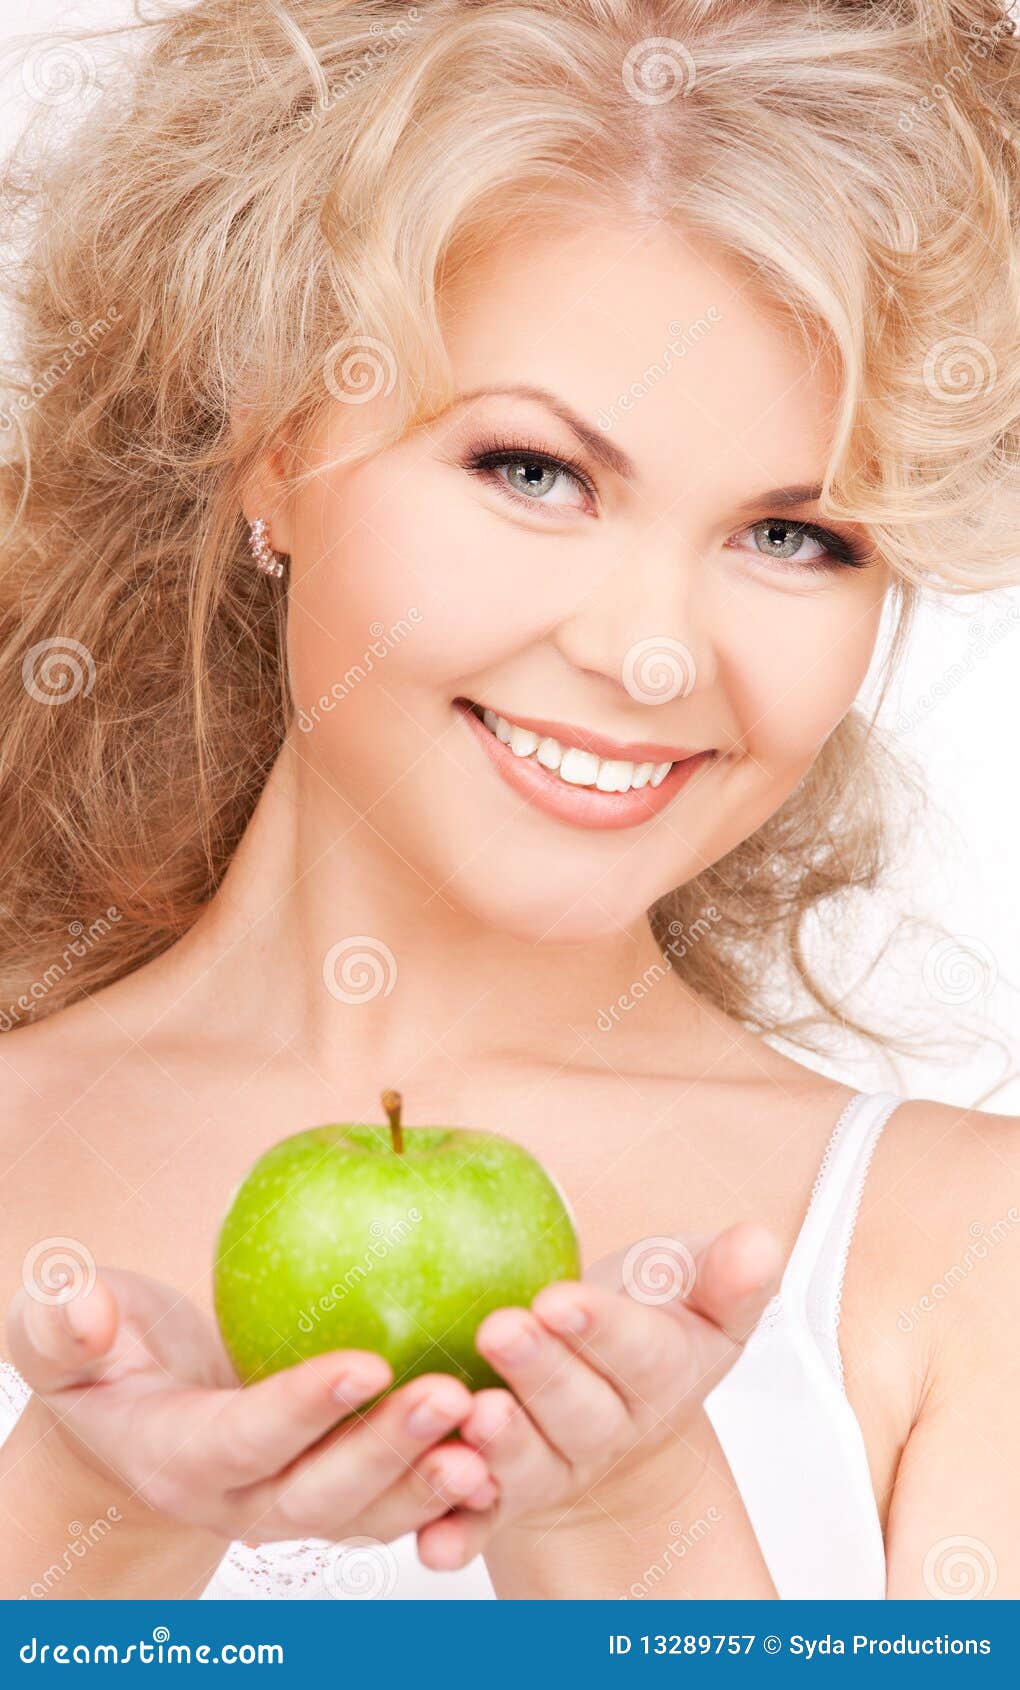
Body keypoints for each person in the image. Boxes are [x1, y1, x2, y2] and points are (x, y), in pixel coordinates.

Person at [0, 0, 1017, 1602]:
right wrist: (92, 1509)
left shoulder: (979, 1261)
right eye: (534, 471)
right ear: (276, 444)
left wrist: (629, 1524)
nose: (656, 656)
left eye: (797, 538)